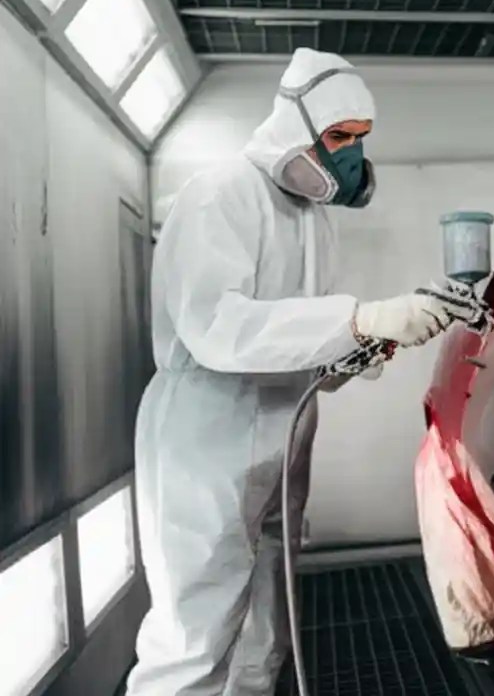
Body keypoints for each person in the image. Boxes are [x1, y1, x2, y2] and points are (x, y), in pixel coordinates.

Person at [126, 47, 462, 695]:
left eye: (359, 141)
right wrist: (361, 317)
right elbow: (217, 328)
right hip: (207, 440)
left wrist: (358, 349)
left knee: (266, 632)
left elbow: (299, 347)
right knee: (195, 639)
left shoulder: (314, 220)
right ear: (293, 126)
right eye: (338, 138)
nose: (349, 157)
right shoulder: (221, 193)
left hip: (283, 441)